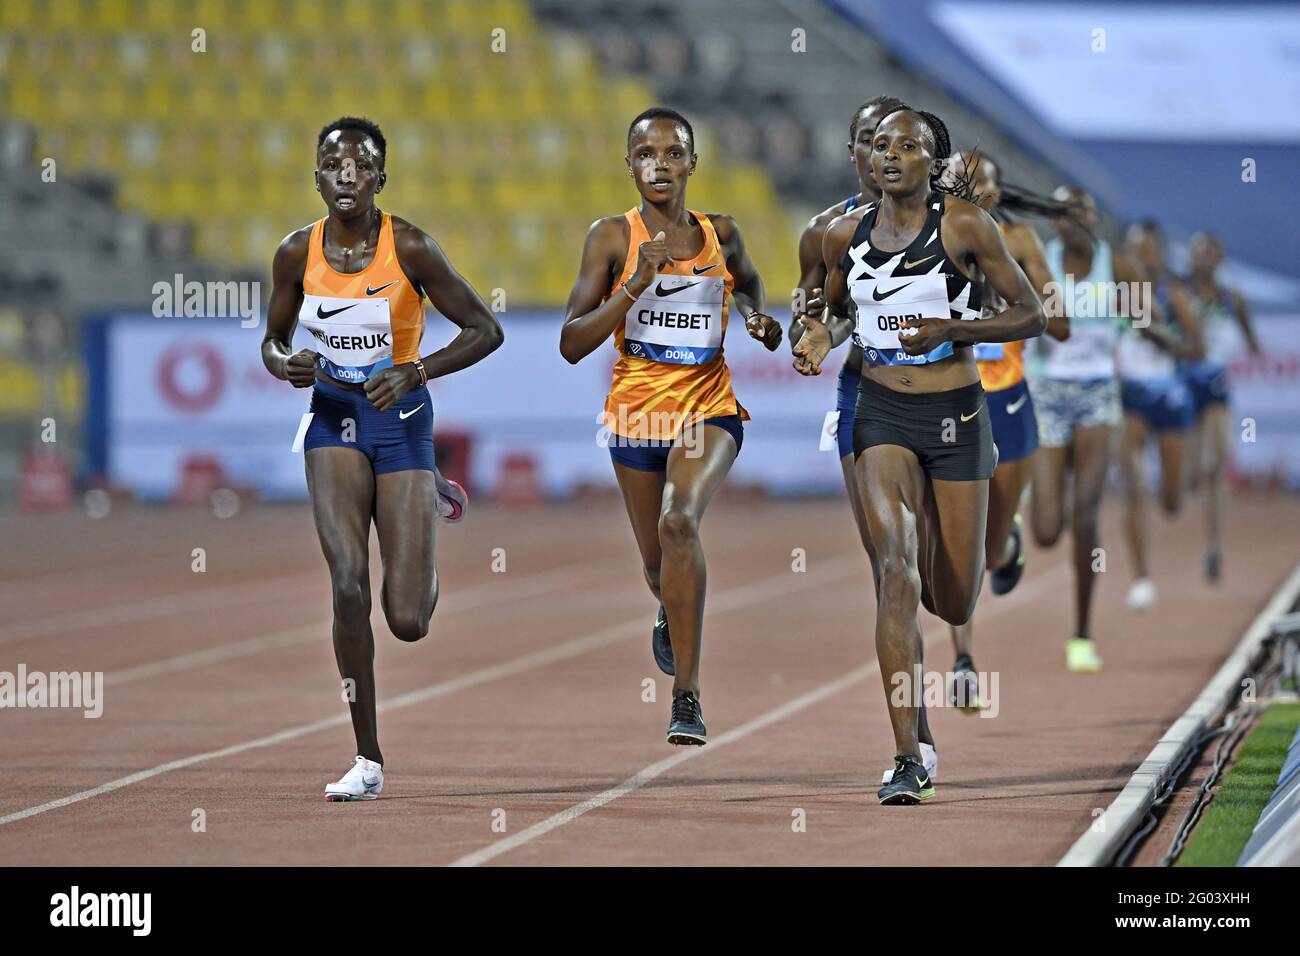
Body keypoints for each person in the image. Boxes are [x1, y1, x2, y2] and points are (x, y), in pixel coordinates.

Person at [792, 108, 1046, 804]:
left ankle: (975, 542)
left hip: (958, 417)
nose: (891, 154)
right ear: (867, 158)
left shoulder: (965, 226)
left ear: (934, 160)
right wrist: (820, 335)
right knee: (894, 571)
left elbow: (1031, 314)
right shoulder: (844, 233)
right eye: (881, 145)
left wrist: (952, 328)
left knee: (953, 595)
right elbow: (834, 311)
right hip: (882, 414)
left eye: (909, 145)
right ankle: (909, 754)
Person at [262, 116, 503, 800]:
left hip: (401, 423)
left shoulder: (412, 248)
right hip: (333, 420)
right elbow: (271, 341)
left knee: (407, 620)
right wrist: (287, 365)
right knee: (345, 585)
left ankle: (424, 499)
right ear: (316, 177)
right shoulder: (293, 253)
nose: (346, 175)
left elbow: (488, 329)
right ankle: (367, 758)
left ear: (379, 179)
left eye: (360, 165)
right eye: (333, 164)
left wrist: (417, 371)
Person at [559, 107, 782, 746]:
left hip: (708, 408)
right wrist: (633, 287)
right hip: (634, 416)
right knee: (660, 569)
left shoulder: (723, 233)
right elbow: (572, 343)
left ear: (691, 163)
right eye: (646, 153)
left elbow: (749, 286)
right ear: (629, 165)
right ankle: (668, 607)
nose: (660, 164)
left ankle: (686, 695)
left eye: (672, 152)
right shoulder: (610, 238)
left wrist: (755, 317)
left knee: (679, 520)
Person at [941, 150, 1065, 709]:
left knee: (989, 551)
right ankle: (963, 656)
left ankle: (1006, 536)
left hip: (1008, 400)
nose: (972, 193)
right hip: (952, 398)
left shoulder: (1017, 242)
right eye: (961, 184)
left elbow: (1055, 323)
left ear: (997, 191)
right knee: (952, 539)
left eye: (982, 185)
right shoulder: (932, 237)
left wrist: (1018, 298)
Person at [1027, 187, 1146, 673]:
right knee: (1048, 531)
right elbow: (1018, 312)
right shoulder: (1038, 260)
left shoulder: (1115, 265)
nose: (1077, 219)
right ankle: (1022, 509)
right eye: (1065, 213)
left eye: (1085, 211)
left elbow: (1142, 320)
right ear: (1055, 221)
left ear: (1095, 217)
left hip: (1098, 393)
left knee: (1085, 513)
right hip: (1048, 392)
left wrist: (1152, 330)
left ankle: (1081, 634)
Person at [1117, 220, 1201, 609]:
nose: (1142, 257)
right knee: (1132, 482)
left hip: (1167, 394)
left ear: (1160, 252)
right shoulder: (1116, 295)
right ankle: (1141, 577)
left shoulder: (1172, 293)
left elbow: (1196, 347)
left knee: (1171, 501)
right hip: (1128, 396)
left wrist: (1161, 337)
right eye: (1136, 249)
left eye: (1149, 249)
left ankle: (1172, 489)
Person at [1181, 231, 1259, 582]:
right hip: (1185, 382)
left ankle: (1214, 547)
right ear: (1190, 258)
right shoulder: (1179, 294)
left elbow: (1252, 343)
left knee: (1215, 465)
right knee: (1193, 474)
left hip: (1215, 383)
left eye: (1210, 254)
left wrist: (1236, 349)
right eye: (1198, 253)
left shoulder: (1233, 299)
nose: (1203, 260)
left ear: (1220, 259)